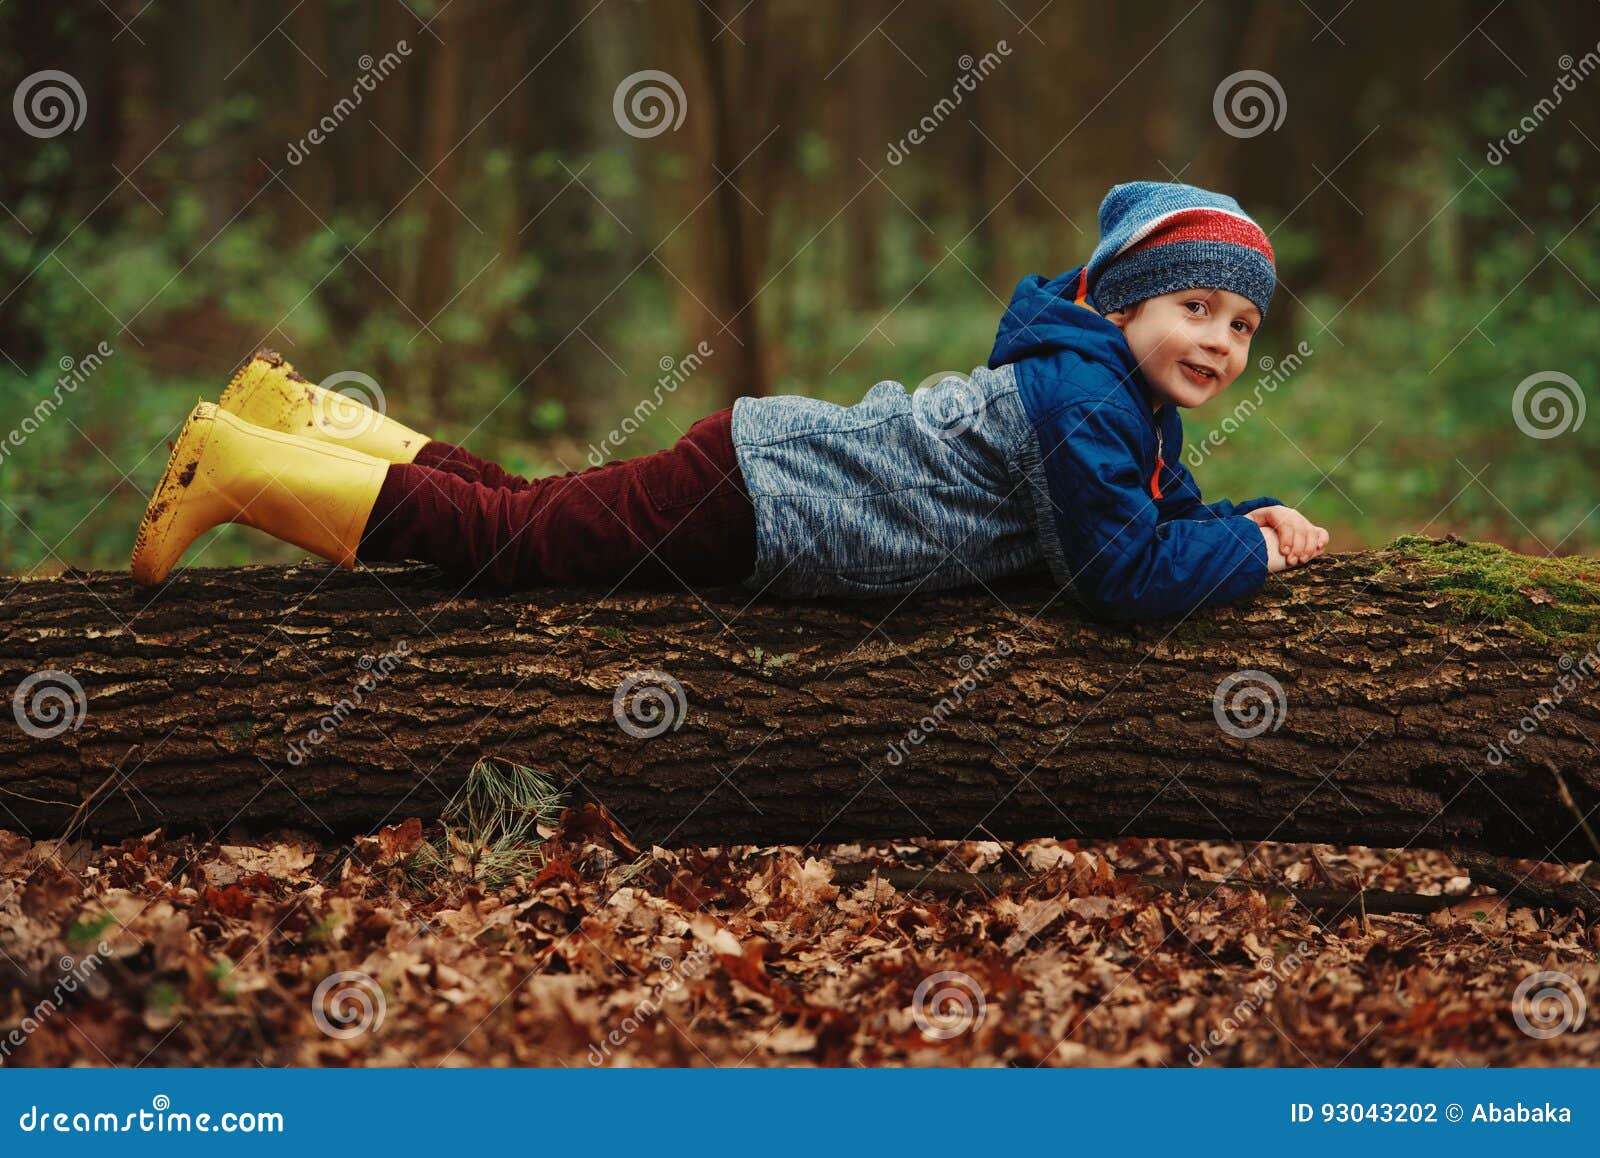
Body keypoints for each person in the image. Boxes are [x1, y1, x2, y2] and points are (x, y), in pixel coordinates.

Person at [130, 180, 1328, 621]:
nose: (1218, 341)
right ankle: (239, 473)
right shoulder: (1085, 398)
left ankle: (293, 414)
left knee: (528, 505)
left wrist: (1250, 521)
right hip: (765, 499)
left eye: (1241, 325)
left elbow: (1149, 512)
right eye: (1194, 310)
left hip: (761, 470)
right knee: (513, 547)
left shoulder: (1112, 400)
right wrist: (1254, 560)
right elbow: (1116, 576)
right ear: (1123, 306)